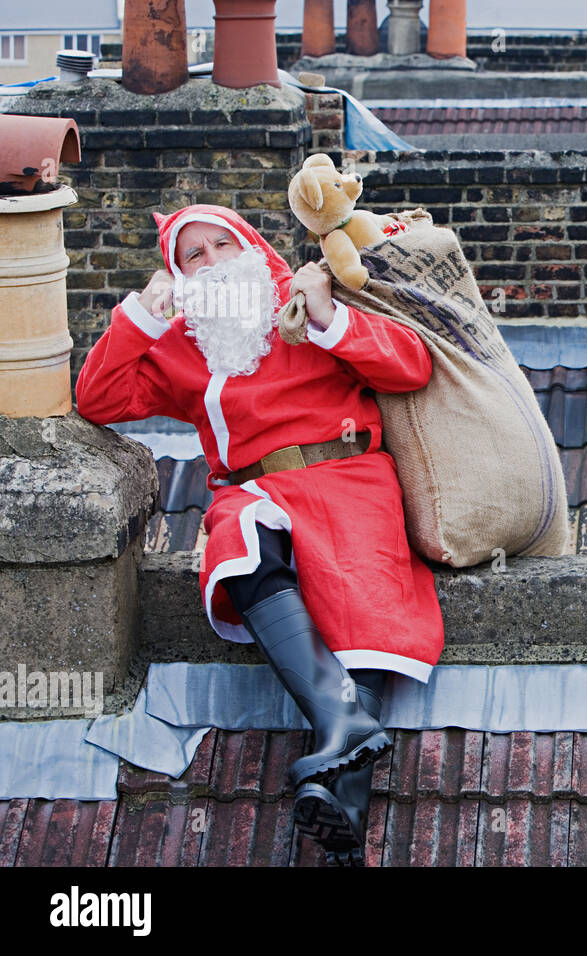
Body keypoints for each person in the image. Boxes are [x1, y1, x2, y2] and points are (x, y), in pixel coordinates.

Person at [75, 203, 445, 866]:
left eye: (224, 244)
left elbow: (411, 366)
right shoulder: (180, 340)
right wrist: (140, 319)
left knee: (363, 620)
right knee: (236, 543)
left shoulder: (303, 297)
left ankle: (342, 802)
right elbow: (99, 400)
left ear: (251, 245)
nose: (214, 262)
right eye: (195, 255)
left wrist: (331, 318)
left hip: (347, 479)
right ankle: (340, 729)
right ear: (178, 274)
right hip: (252, 489)